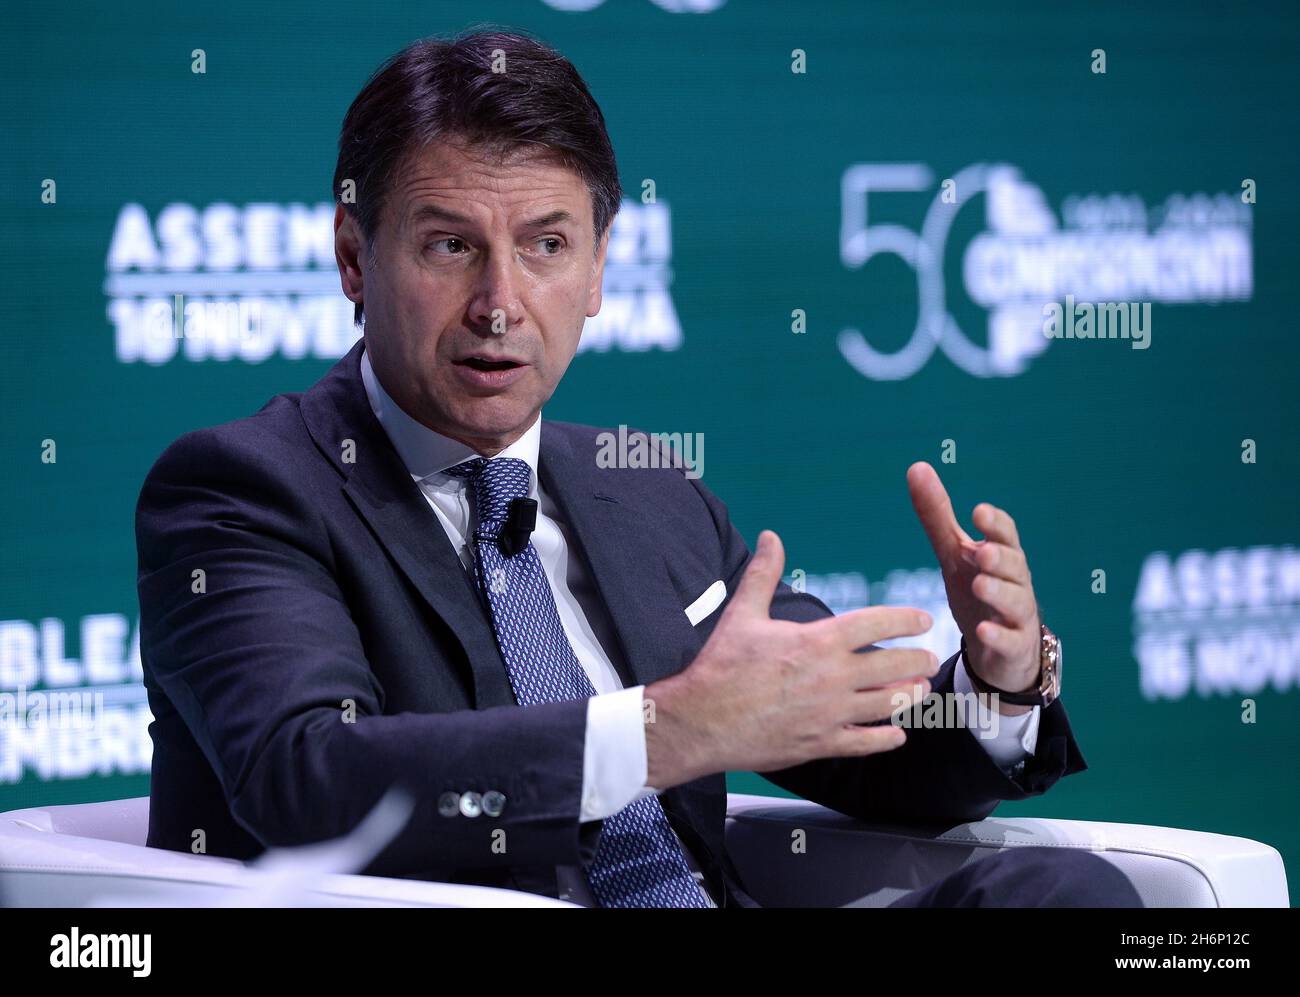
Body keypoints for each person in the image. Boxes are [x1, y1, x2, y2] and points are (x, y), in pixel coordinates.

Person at [135, 29, 1142, 908]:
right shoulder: (246, 489)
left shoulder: (641, 488)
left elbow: (830, 720)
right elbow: (307, 777)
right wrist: (660, 733)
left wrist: (995, 687)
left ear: (600, 269)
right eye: (450, 246)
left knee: (1070, 895)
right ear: (354, 257)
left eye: (546, 246)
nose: (500, 302)